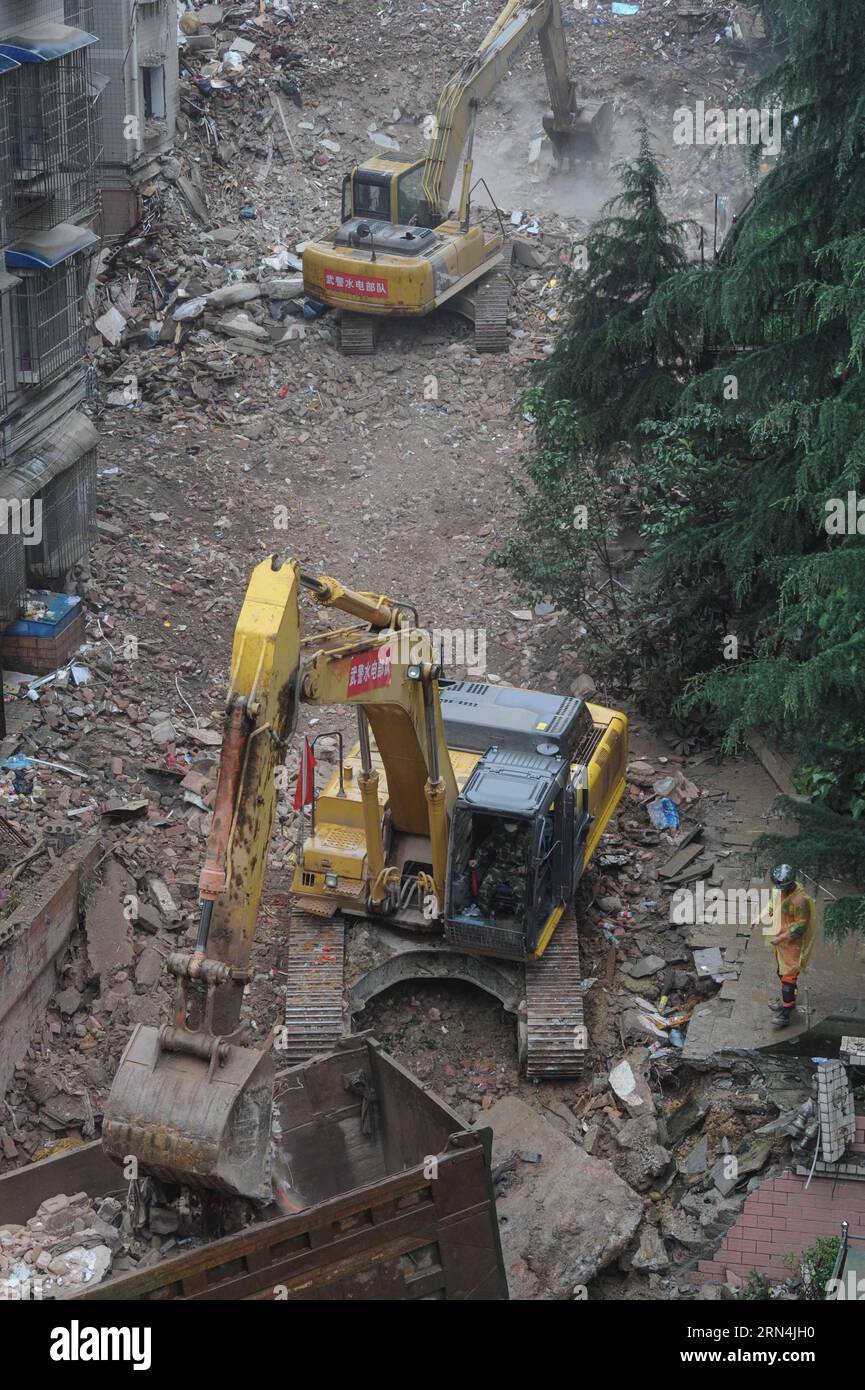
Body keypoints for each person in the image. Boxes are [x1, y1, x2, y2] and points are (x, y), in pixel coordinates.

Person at [763, 864, 817, 1029]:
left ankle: (785, 1013)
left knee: (788, 978)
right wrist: (760, 917)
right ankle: (790, 1000)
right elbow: (772, 905)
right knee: (781, 972)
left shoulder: (799, 900)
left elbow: (801, 925)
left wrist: (781, 938)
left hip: (792, 944)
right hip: (781, 941)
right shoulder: (779, 892)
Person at [475, 821, 529, 918]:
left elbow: (535, 857)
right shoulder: (497, 834)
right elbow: (483, 848)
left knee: (520, 892)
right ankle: (489, 917)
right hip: (498, 868)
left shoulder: (526, 837)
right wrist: (477, 860)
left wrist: (527, 867)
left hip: (516, 871)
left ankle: (518, 921)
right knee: (484, 890)